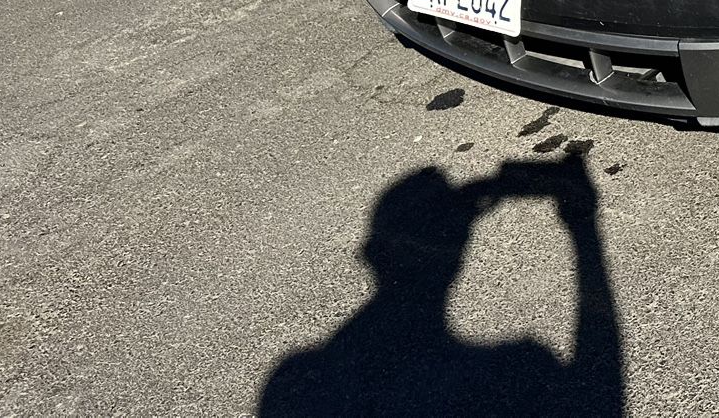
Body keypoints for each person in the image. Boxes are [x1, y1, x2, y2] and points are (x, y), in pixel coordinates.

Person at [260, 154, 622, 417]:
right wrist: (583, 232)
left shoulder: (299, 380)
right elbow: (603, 390)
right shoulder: (519, 367)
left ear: (372, 253)